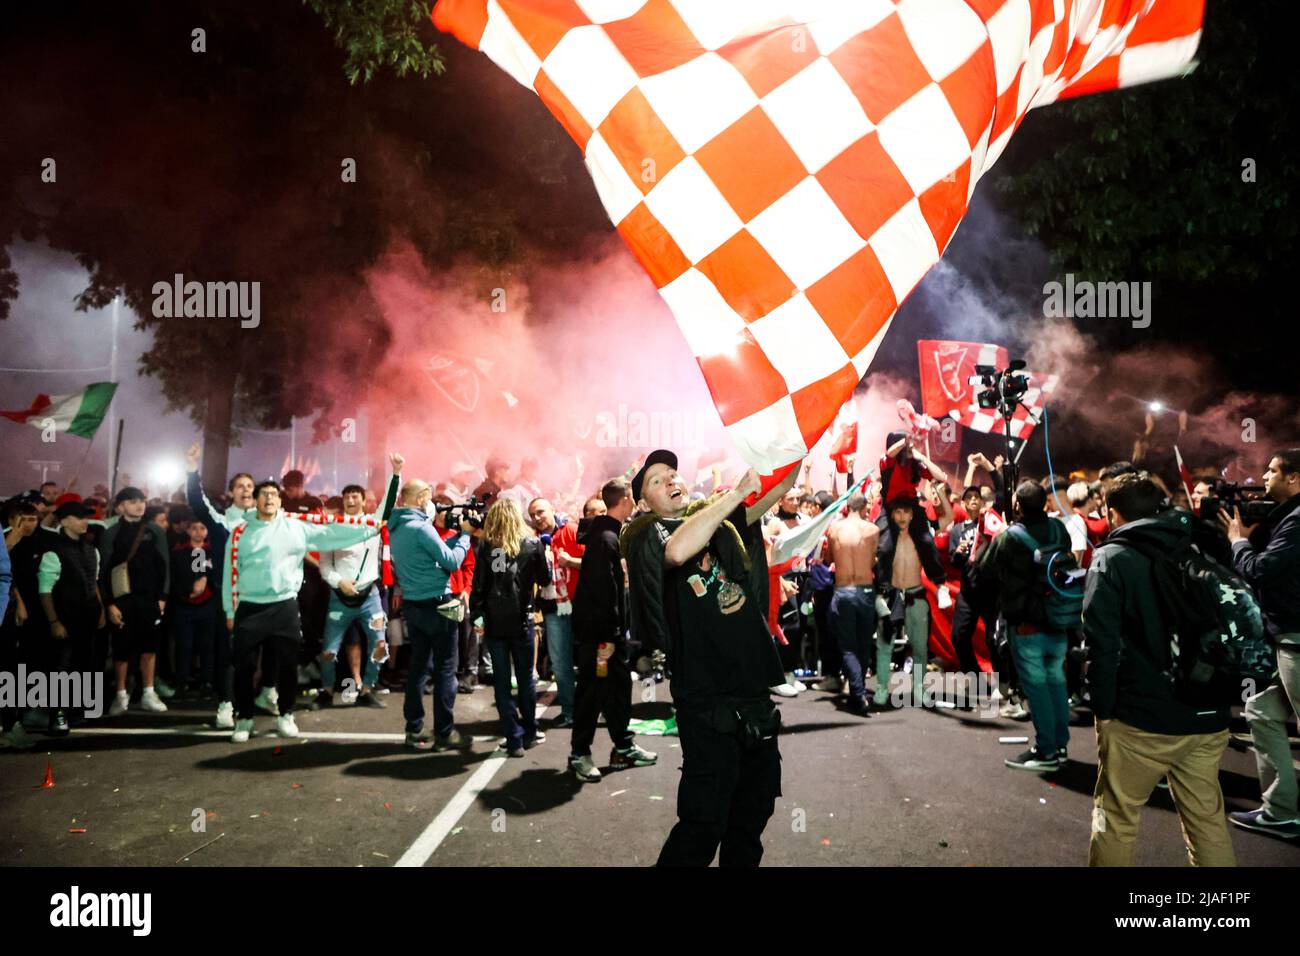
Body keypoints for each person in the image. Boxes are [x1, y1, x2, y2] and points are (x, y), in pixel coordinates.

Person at [623, 449, 796, 866]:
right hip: (706, 697)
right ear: (644, 501)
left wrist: (796, 444)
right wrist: (734, 494)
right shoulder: (645, 532)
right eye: (657, 480)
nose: (670, 480)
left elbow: (779, 489)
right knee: (704, 822)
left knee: (750, 817)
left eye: (672, 473)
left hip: (751, 690)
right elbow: (677, 552)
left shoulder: (718, 520)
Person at [1084, 472, 1237, 865]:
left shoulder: (1112, 558)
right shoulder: (1203, 544)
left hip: (1141, 717)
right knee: (1207, 820)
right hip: (1208, 710)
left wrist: (1103, 711)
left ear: (1113, 513)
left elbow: (1102, 646)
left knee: (1115, 818)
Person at [222, 480, 380, 742]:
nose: (269, 499)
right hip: (249, 606)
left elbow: (332, 535)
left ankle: (286, 714)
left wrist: (370, 528)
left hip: (284, 605)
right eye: (264, 494)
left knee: (287, 665)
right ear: (256, 500)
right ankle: (244, 718)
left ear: (280, 500)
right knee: (244, 667)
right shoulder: (240, 532)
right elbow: (230, 574)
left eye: (274, 494)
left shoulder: (294, 527)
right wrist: (230, 610)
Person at [1221, 449, 1300, 838]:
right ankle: (1280, 810)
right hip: (1288, 638)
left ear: (1294, 477)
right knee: (1260, 711)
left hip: (1296, 641)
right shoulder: (1290, 517)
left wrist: (1238, 542)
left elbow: (1261, 570)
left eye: (1272, 471)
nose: (1264, 477)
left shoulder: (1297, 520)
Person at [568, 478, 657, 782]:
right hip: (601, 638)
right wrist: (608, 637)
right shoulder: (605, 538)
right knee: (593, 691)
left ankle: (623, 747)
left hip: (611, 636)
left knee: (618, 689)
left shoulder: (609, 533)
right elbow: (601, 593)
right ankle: (579, 753)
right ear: (626, 499)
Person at [981, 481, 1072, 770]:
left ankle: (1046, 751)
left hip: (1026, 622)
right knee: (1056, 680)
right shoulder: (1059, 529)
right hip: (1059, 616)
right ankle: (1060, 744)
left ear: (1017, 505)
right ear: (1044, 504)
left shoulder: (1010, 537)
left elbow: (985, 570)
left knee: (1037, 686)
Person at [388, 479, 475, 752]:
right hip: (439, 604)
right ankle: (444, 733)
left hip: (413, 605)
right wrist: (465, 535)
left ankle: (413, 728)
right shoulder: (422, 528)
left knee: (418, 668)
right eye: (429, 498)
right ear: (421, 498)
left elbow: (433, 556)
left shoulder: (395, 527)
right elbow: (452, 561)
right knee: (446, 669)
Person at [315, 458, 402, 710]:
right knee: (329, 650)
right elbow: (324, 565)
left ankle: (366, 689)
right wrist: (339, 581)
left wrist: (396, 473)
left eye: (355, 496)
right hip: (339, 598)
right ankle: (326, 691)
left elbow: (388, 502)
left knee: (379, 645)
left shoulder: (372, 523)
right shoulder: (333, 529)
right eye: (347, 497)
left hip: (369, 596)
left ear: (364, 501)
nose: (351, 500)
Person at [470, 497, 550, 757]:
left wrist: (477, 618)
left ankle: (513, 738)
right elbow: (544, 579)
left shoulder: (490, 546)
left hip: (495, 622)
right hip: (522, 619)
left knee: (502, 682)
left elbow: (481, 585)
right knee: (526, 679)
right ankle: (530, 731)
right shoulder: (532, 543)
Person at [185, 443, 255, 728]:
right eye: (240, 486)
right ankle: (226, 703)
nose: (245, 490)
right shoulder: (221, 521)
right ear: (231, 492)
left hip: (259, 597)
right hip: (228, 598)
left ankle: (263, 695)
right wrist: (192, 469)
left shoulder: (267, 522)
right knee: (227, 652)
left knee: (258, 650)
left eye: (249, 486)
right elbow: (197, 501)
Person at [36, 501, 107, 736]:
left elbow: (93, 582)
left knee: (82, 663)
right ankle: (58, 713)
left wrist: (100, 609)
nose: (85, 521)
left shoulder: (91, 550)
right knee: (61, 667)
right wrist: (54, 621)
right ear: (65, 521)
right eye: (78, 517)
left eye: (85, 517)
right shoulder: (53, 551)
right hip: (65, 616)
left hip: (88, 615)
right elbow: (45, 590)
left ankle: (76, 711)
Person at [99, 486, 171, 717]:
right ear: (120, 506)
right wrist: (109, 603)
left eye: (142, 500)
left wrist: (163, 597)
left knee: (150, 648)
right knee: (121, 650)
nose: (139, 505)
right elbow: (104, 571)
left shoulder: (154, 531)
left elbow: (165, 565)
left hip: (150, 599)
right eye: (133, 501)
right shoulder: (111, 533)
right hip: (123, 601)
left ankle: (148, 692)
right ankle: (121, 694)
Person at [528, 496, 582, 727]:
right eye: (533, 515)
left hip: (580, 603)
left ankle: (600, 708)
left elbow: (593, 561)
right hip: (553, 608)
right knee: (560, 661)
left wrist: (571, 562)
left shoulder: (570, 530)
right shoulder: (532, 540)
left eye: (540, 511)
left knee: (592, 659)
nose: (537, 517)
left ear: (552, 509)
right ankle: (570, 711)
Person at [826, 491, 880, 714]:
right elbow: (873, 559)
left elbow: (829, 559)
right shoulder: (872, 530)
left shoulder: (835, 529)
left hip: (844, 590)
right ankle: (859, 690)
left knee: (848, 646)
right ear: (865, 508)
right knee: (863, 644)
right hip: (865, 590)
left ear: (847, 507)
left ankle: (857, 692)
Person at [1, 499, 41, 748]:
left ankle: (11, 724)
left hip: (7, 612)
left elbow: (6, 575)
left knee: (8, 667)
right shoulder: (8, 539)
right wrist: (9, 544)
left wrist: (17, 602)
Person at [169, 513, 218, 696]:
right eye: (194, 528)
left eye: (202, 528)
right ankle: (182, 680)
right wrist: (187, 590)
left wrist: (206, 580)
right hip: (184, 604)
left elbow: (217, 575)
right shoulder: (179, 552)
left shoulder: (213, 551)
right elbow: (174, 577)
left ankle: (206, 680)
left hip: (207, 604)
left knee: (207, 645)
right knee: (184, 645)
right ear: (188, 531)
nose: (198, 532)